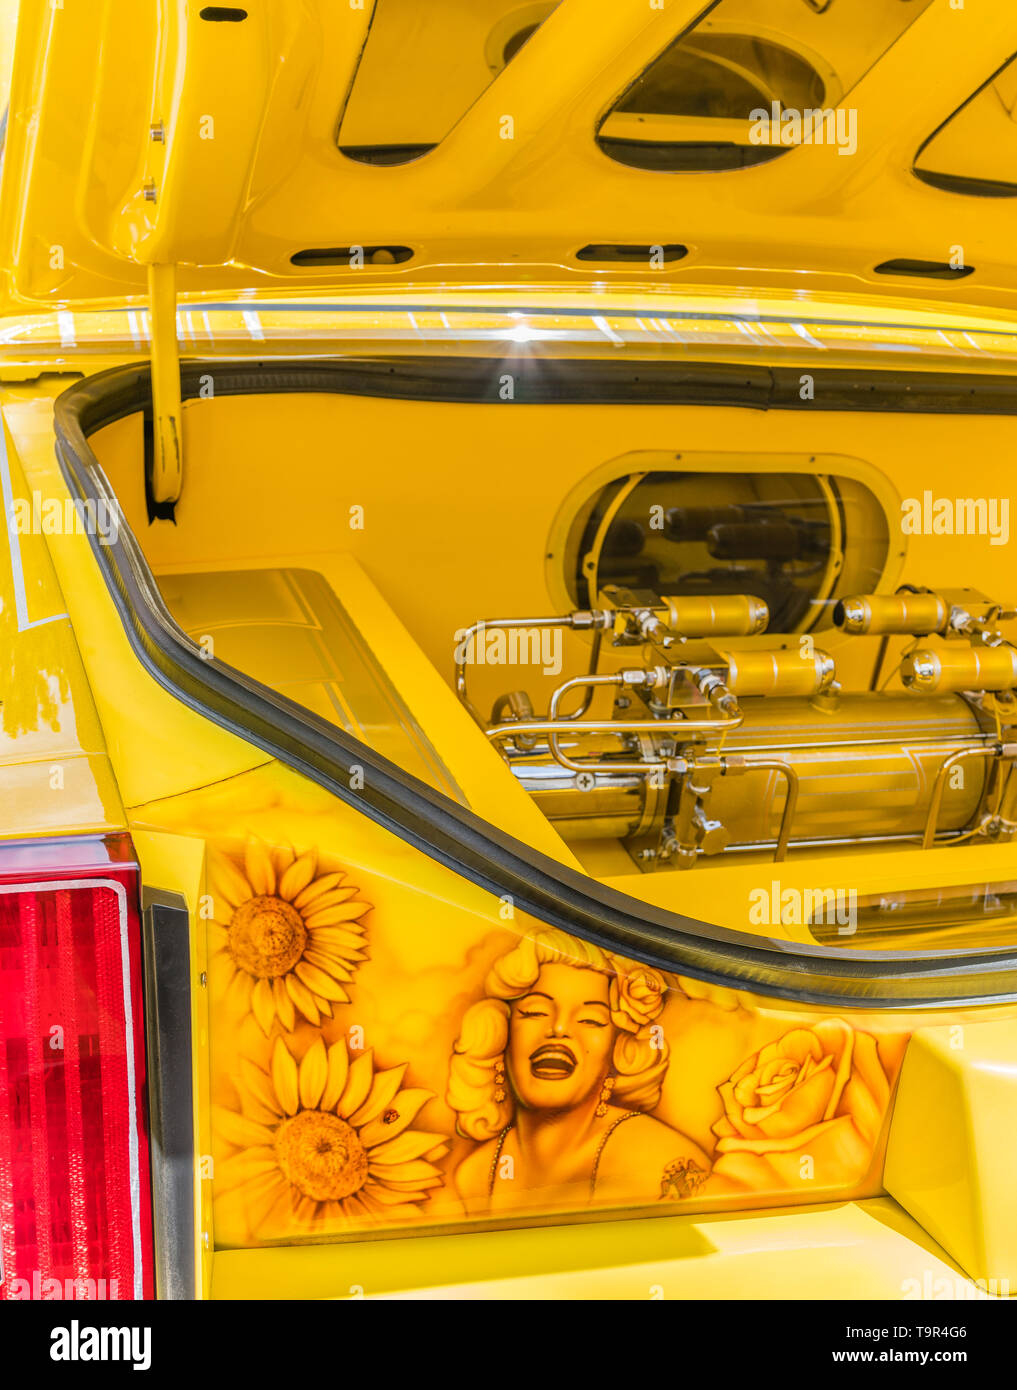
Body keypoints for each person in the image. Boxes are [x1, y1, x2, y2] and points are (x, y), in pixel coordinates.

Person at [447, 928, 709, 1215]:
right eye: (536, 1012)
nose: (559, 1029)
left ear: (617, 1049)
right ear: (501, 1035)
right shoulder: (474, 1176)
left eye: (590, 1020)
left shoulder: (664, 1160)